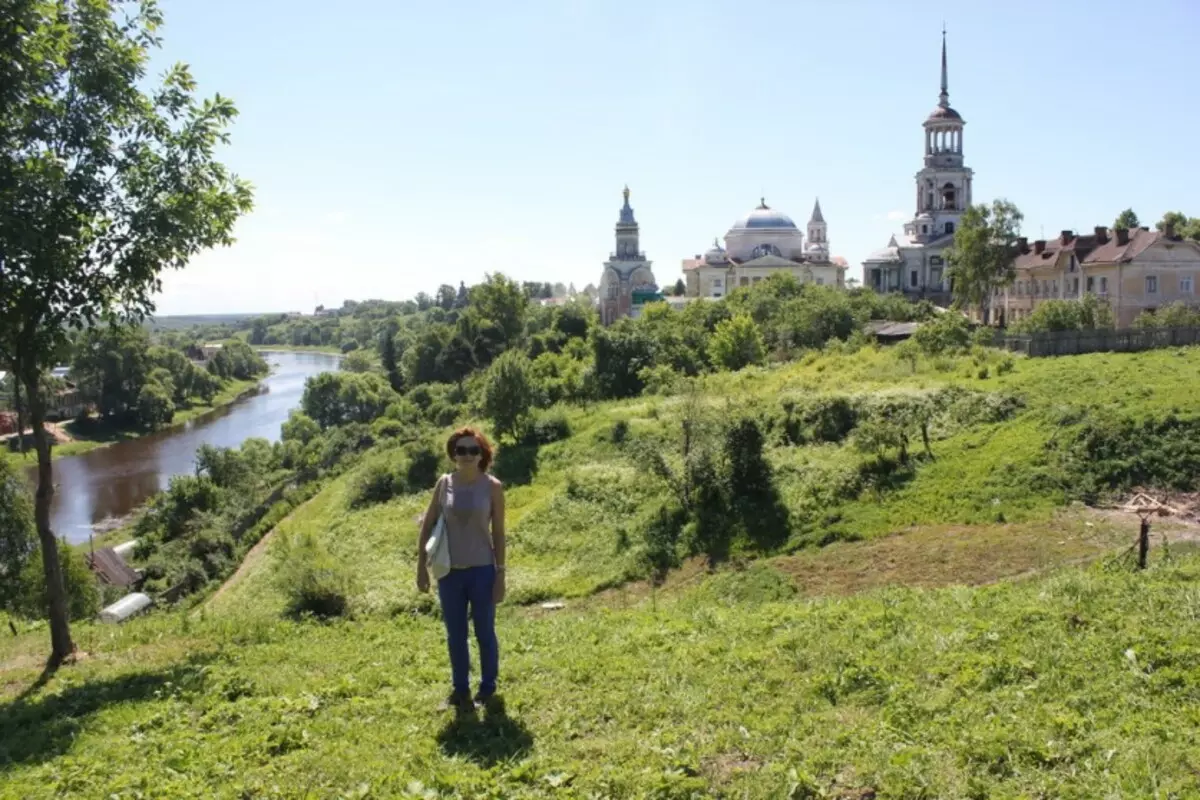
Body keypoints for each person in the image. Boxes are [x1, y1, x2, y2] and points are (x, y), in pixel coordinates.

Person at [417, 426, 507, 711]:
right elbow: (428, 523)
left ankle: (488, 688)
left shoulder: (493, 487)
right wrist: (420, 564)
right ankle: (460, 689)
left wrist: (501, 574)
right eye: (461, 450)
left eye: (473, 450)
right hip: (449, 573)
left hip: (482, 571)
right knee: (455, 635)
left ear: (482, 454)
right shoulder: (444, 484)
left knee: (484, 632)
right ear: (453, 454)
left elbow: (499, 534)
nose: (467, 455)